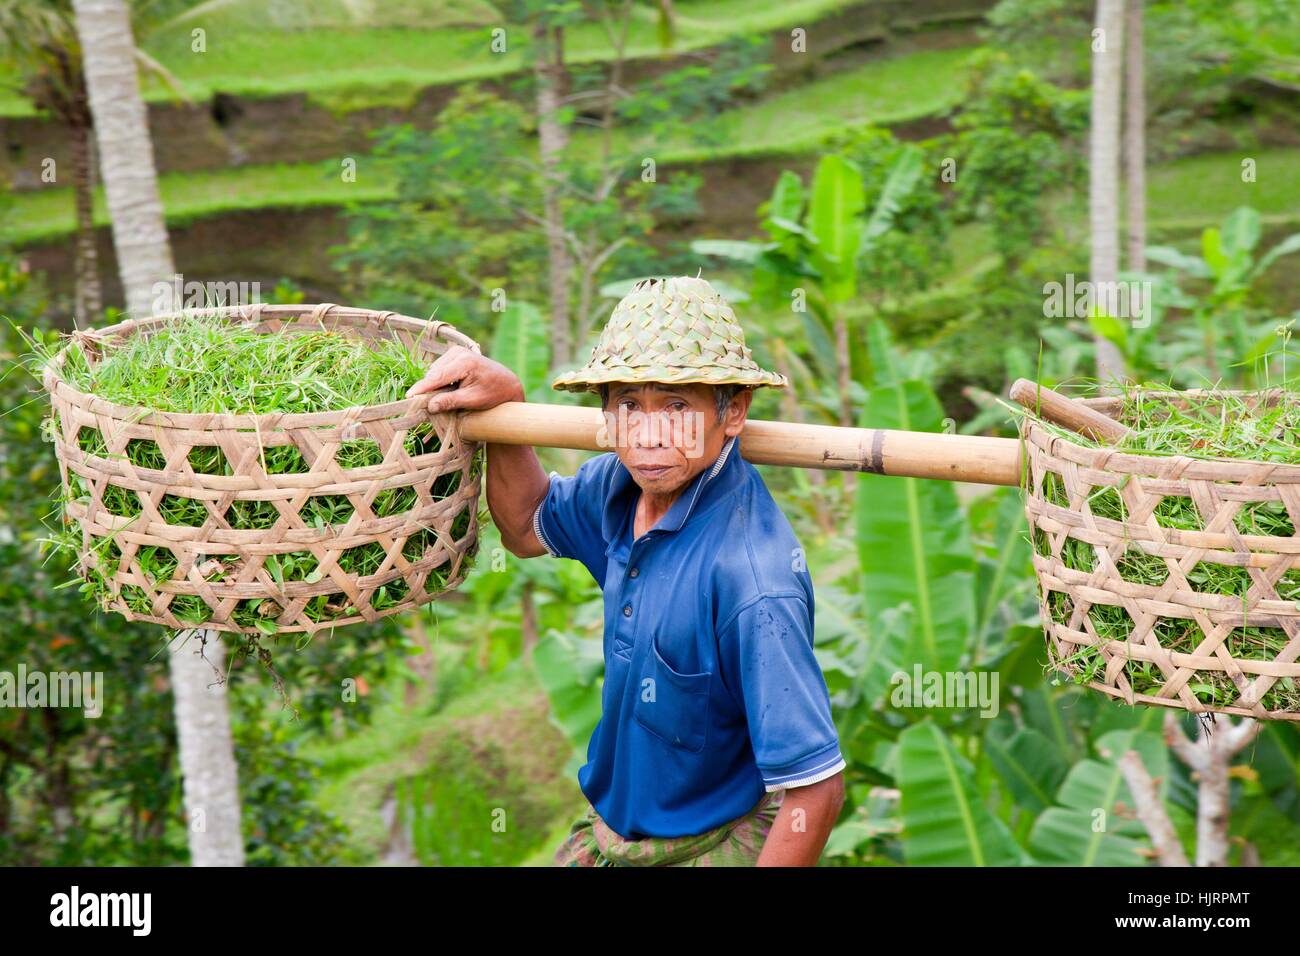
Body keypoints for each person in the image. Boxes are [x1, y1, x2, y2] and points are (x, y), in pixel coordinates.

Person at [407, 276, 845, 866]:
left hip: (708, 843)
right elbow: (525, 526)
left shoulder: (752, 581)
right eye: (629, 404)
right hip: (613, 834)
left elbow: (815, 790)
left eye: (677, 406)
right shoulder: (618, 486)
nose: (648, 432)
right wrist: (506, 405)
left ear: (733, 410)